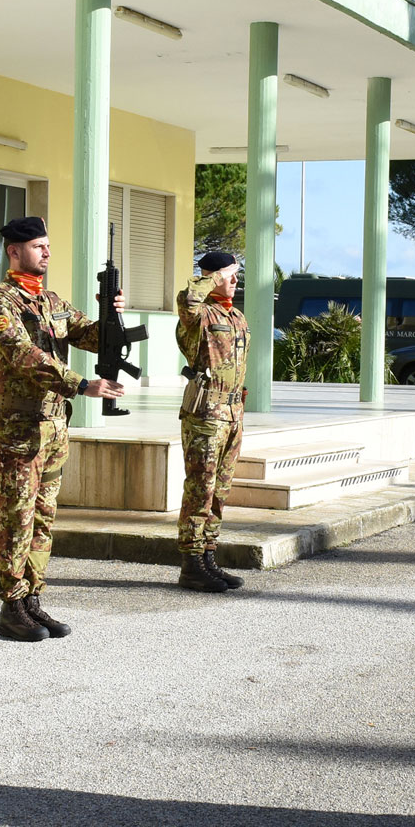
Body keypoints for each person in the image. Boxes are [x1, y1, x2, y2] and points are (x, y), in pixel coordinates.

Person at [0, 216, 124, 642]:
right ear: (14, 251)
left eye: (48, 246)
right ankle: (12, 605)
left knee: (43, 518)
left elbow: (89, 336)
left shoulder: (52, 302)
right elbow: (22, 353)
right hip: (18, 429)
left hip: (55, 427)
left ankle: (33, 598)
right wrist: (81, 384)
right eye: (39, 246)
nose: (47, 253)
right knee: (17, 518)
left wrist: (109, 317)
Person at [174, 251, 250, 593]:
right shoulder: (199, 314)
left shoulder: (235, 316)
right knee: (199, 490)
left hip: (232, 415)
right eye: (230, 275)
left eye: (235, 275)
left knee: (219, 491)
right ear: (214, 276)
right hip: (206, 415)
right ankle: (191, 564)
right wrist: (212, 277)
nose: (235, 280)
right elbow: (188, 297)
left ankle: (208, 557)